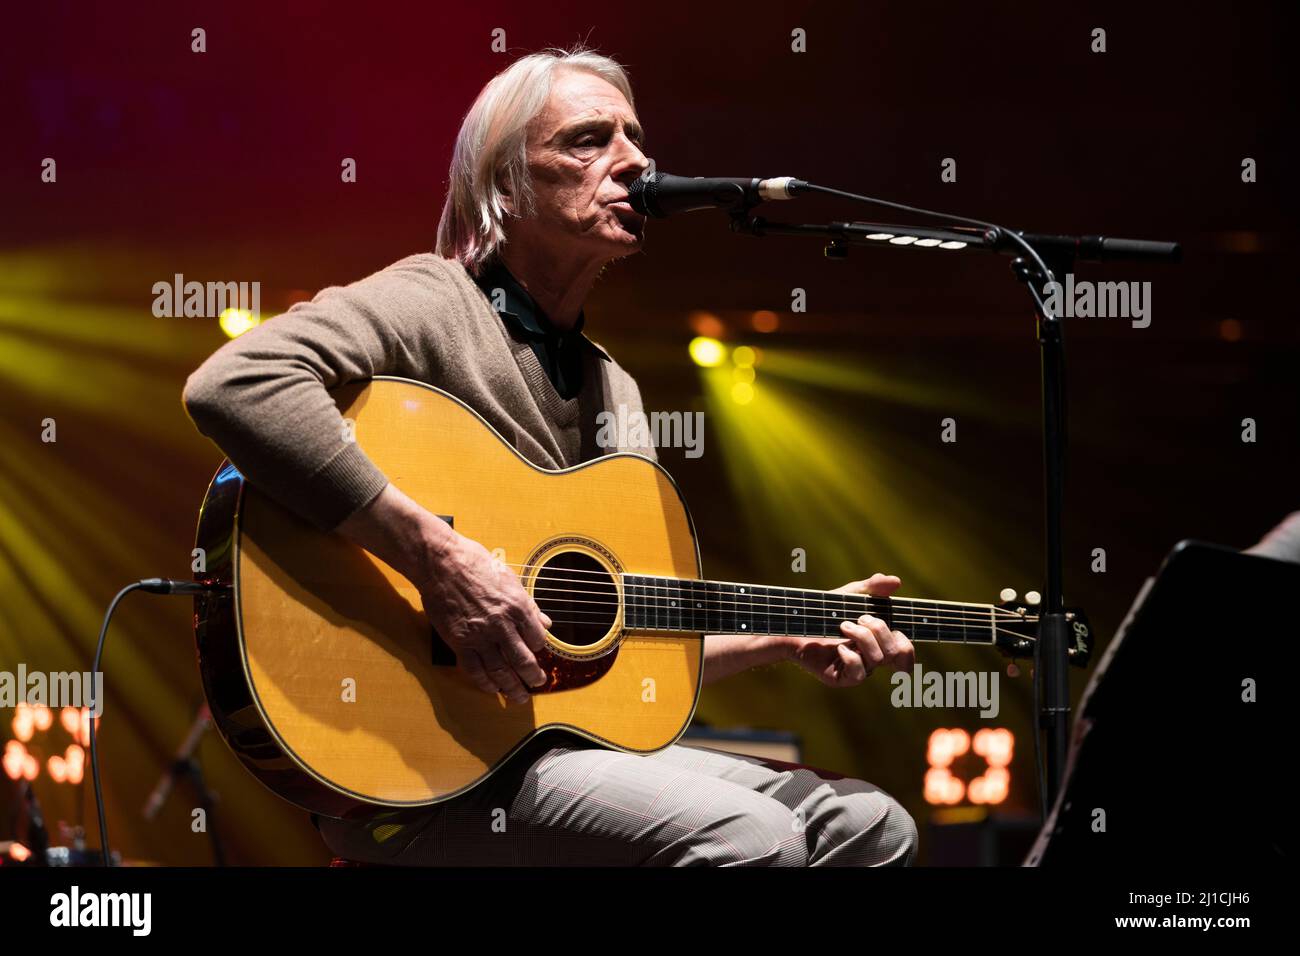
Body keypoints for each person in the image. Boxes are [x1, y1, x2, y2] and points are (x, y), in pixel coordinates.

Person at [182, 46, 917, 866]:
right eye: (587, 140)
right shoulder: (432, 301)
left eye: (635, 137)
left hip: (547, 750)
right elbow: (236, 381)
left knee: (871, 825)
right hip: (421, 769)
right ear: (505, 185)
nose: (634, 160)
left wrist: (792, 636)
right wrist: (438, 558)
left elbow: (617, 645)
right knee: (754, 837)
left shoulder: (617, 391)